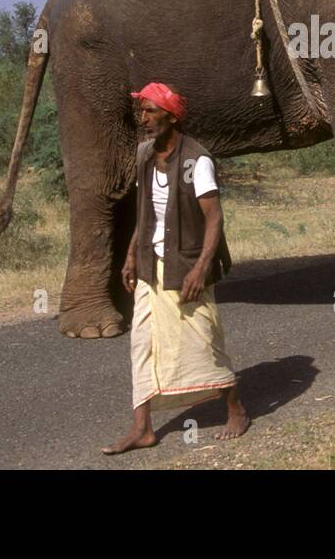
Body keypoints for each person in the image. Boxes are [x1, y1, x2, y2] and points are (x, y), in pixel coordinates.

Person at [101, 82, 249, 454]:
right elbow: (146, 210)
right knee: (143, 344)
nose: (144, 118)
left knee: (203, 340)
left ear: (172, 115)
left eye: (151, 111)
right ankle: (142, 428)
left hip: (185, 264)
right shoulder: (144, 155)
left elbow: (214, 219)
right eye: (142, 111)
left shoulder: (197, 161)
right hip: (152, 265)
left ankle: (236, 410)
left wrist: (200, 269)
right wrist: (132, 253)